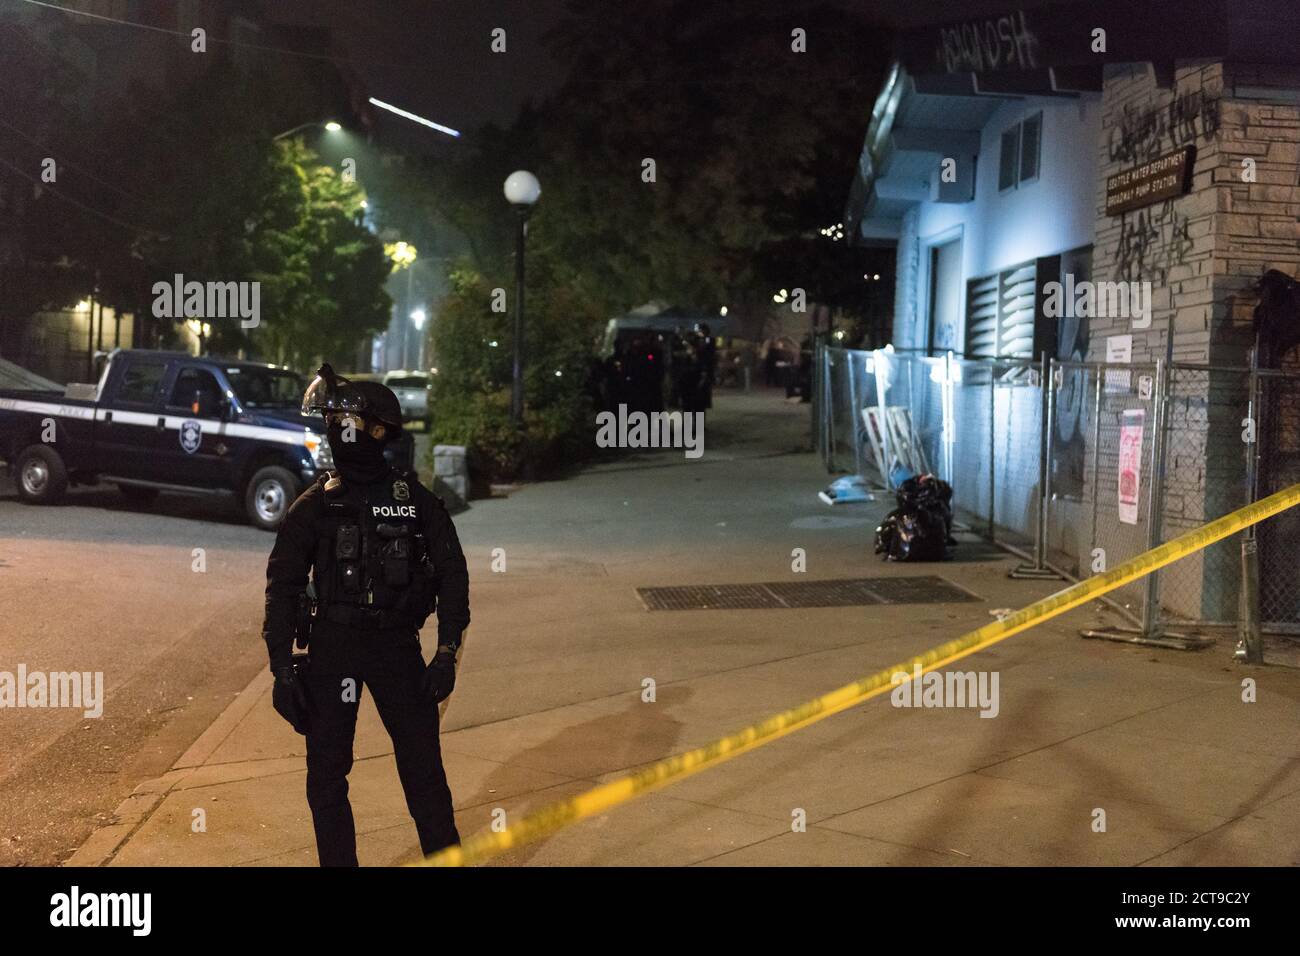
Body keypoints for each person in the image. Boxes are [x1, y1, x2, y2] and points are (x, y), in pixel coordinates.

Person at [261, 364, 469, 866]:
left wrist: (446, 652)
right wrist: (282, 668)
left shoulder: (415, 503)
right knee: (327, 778)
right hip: (333, 649)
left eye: (345, 422)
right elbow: (282, 588)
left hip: (396, 649)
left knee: (424, 774)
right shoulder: (315, 506)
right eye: (332, 422)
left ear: (377, 431)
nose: (336, 431)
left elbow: (452, 577)